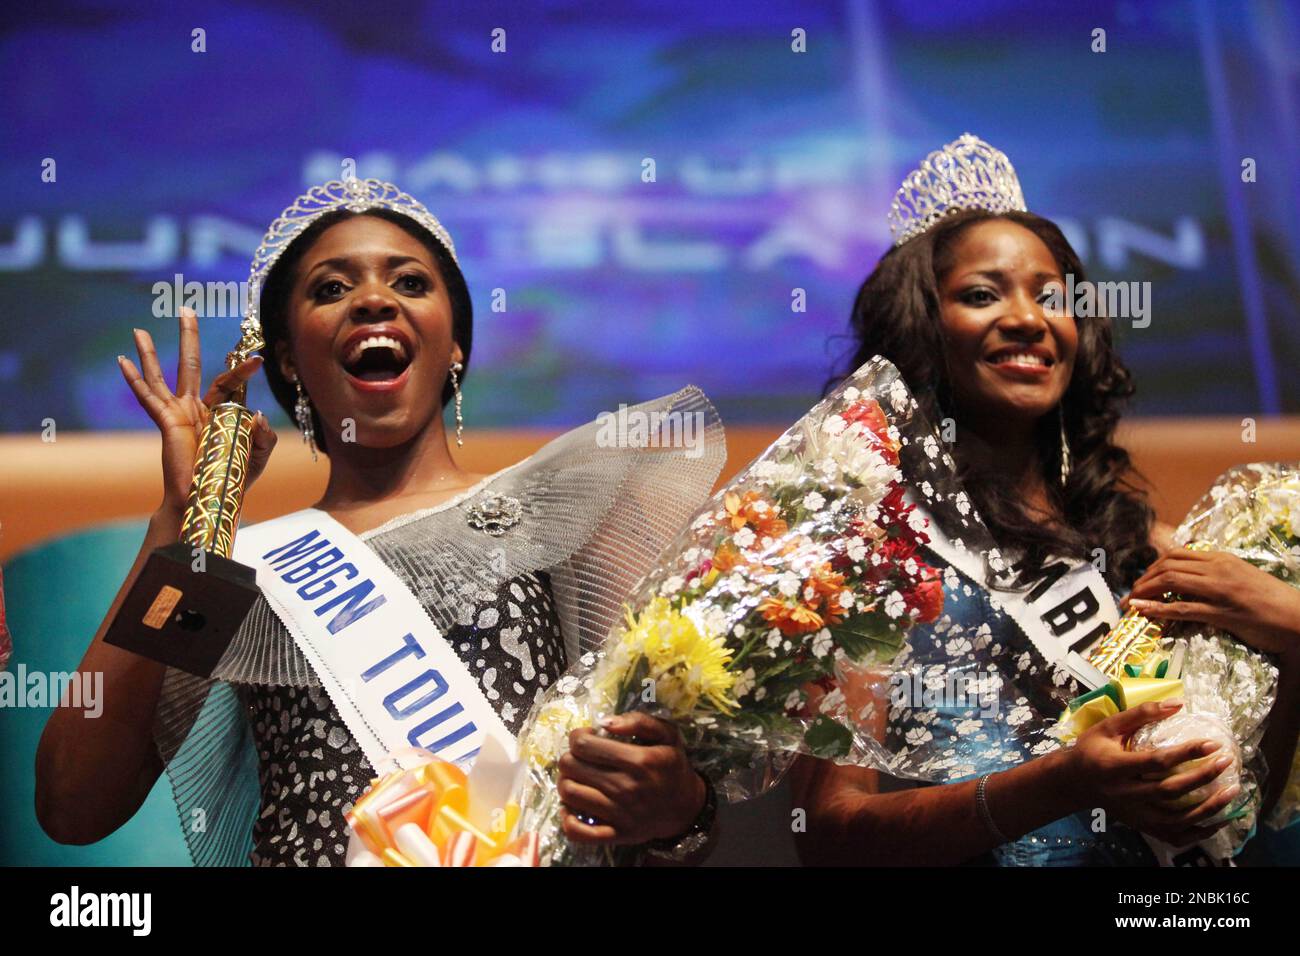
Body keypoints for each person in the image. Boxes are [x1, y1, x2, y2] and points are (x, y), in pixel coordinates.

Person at [36, 178, 721, 865]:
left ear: (455, 344)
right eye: (331, 289)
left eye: (411, 282)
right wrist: (182, 522)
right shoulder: (241, 569)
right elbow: (74, 802)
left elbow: (666, 789)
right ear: (287, 361)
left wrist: (680, 809)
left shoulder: (560, 511)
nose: (371, 299)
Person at [791, 135, 1300, 866]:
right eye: (980, 294)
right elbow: (830, 834)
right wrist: (1064, 781)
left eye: (1051, 296)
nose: (1029, 318)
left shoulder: (1135, 540)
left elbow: (1239, 815)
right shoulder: (871, 546)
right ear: (919, 328)